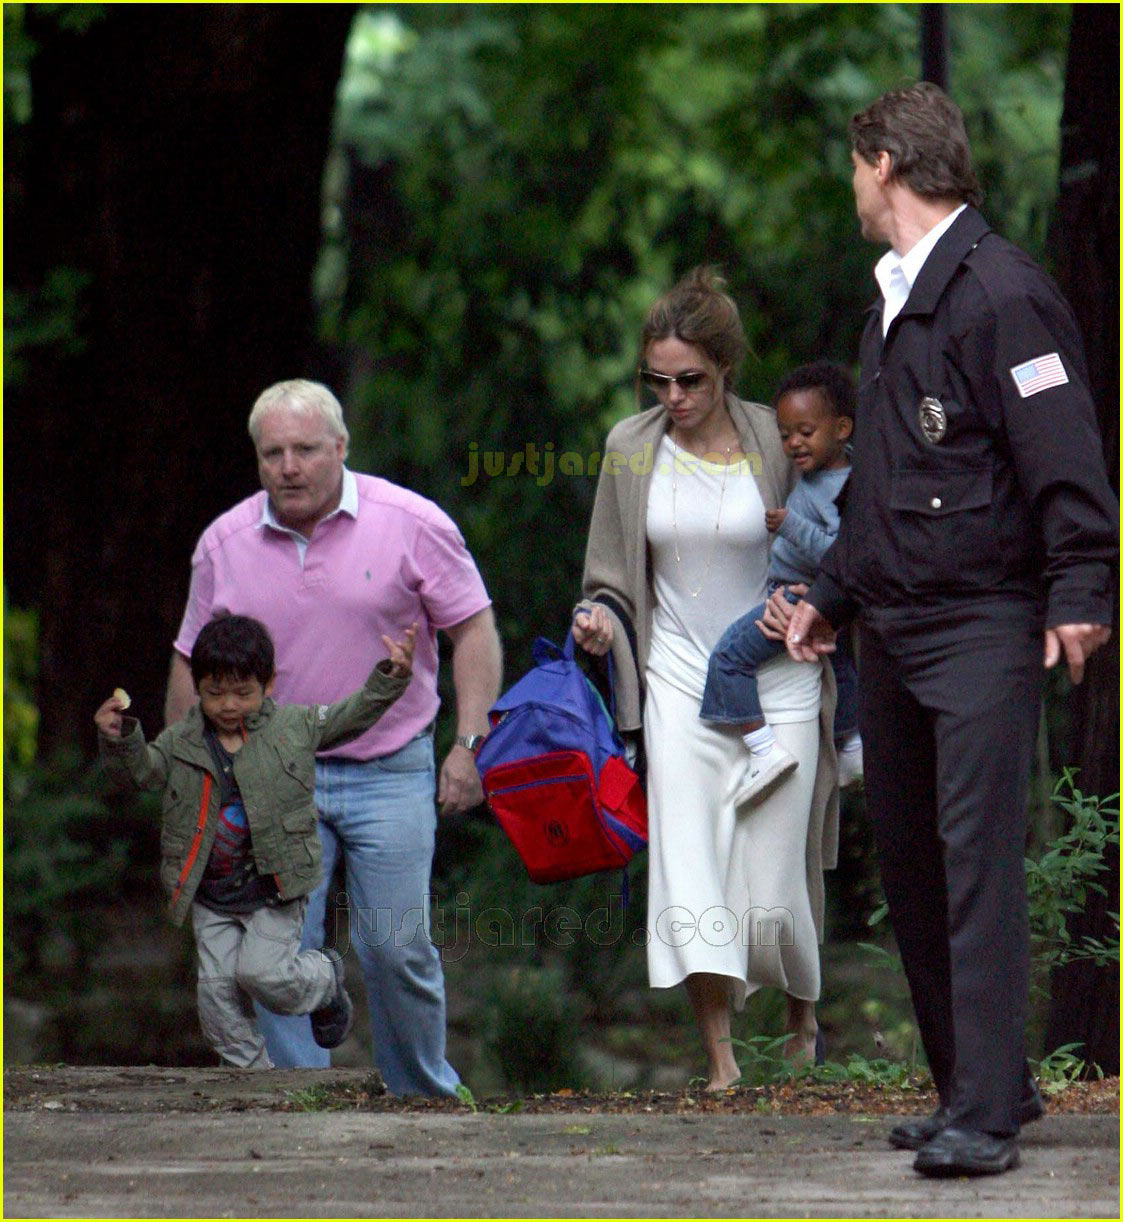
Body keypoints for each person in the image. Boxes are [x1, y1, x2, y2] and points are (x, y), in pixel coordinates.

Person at [783, 84, 1117, 1177]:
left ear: (881, 162)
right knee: (919, 867)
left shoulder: (1001, 294)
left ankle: (982, 1114)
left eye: (850, 165)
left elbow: (1064, 450)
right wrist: (831, 595)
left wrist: (1078, 588)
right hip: (893, 622)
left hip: (982, 620)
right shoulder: (892, 299)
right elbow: (885, 481)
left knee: (976, 863)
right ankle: (980, 1087)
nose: (849, 185)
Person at [165, 379, 502, 1096]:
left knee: (394, 947)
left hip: (389, 767)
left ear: (340, 448)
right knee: (276, 951)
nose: (289, 466)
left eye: (305, 450)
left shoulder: (411, 522)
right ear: (257, 460)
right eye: (272, 453)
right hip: (271, 778)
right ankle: (295, 1106)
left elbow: (473, 627)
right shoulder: (224, 544)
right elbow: (191, 657)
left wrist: (468, 744)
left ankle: (422, 1098)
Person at [573, 267, 840, 1089]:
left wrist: (809, 602)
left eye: (690, 379)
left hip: (778, 672)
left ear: (726, 369)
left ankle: (801, 1011)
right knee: (687, 870)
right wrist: (598, 620)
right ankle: (721, 1060)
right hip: (676, 679)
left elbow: (839, 534)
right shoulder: (630, 445)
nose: (674, 395)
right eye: (657, 380)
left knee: (769, 886)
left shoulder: (777, 437)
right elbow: (610, 575)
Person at [98, 613, 415, 1068]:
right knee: (216, 998)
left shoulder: (292, 726)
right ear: (198, 687)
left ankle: (324, 979)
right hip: (211, 894)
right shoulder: (183, 741)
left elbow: (351, 715)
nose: (228, 704)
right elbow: (144, 771)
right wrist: (121, 738)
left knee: (264, 976)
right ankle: (253, 1089)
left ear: (268, 684)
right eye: (214, 692)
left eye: (242, 692)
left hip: (274, 889)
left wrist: (391, 678)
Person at [699, 361, 862, 801]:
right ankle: (852, 745)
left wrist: (790, 526)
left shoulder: (841, 487)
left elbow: (839, 553)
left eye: (805, 432)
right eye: (786, 434)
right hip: (820, 602)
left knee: (729, 659)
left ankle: (762, 748)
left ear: (842, 428)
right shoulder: (824, 478)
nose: (793, 444)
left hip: (796, 597)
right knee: (842, 663)